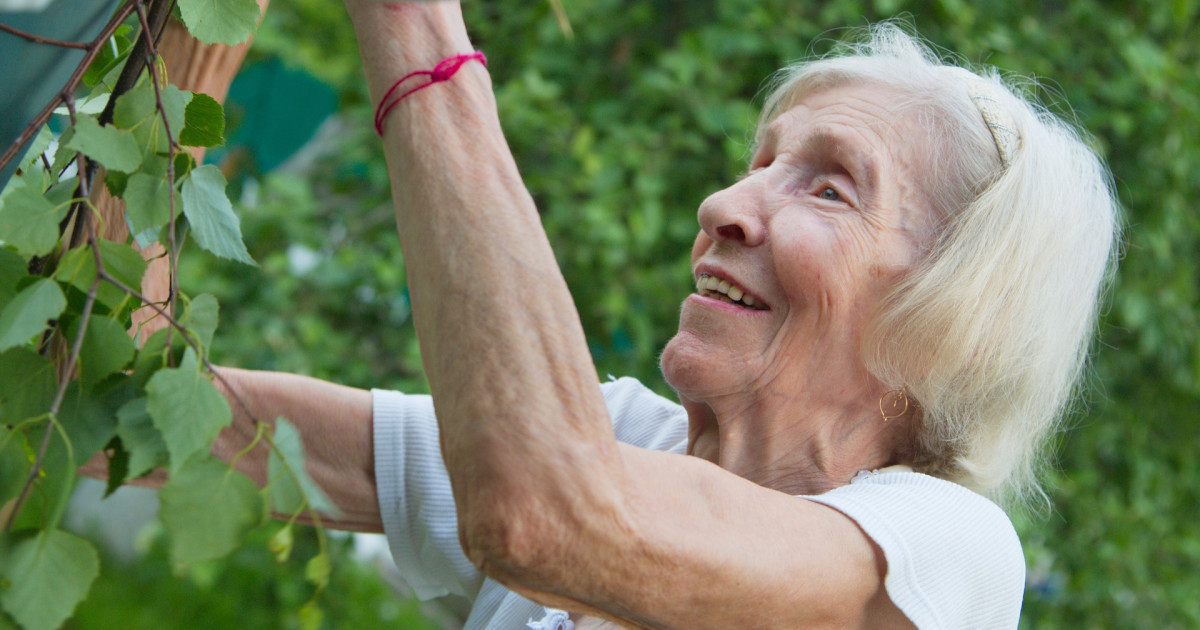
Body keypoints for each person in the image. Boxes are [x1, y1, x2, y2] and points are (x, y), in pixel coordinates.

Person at [206, 3, 1119, 629]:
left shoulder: (945, 555)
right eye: (759, 162)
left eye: (830, 187)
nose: (725, 202)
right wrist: (183, 62)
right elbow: (150, 408)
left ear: (950, 314)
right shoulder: (619, 437)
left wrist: (416, 27)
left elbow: (545, 512)